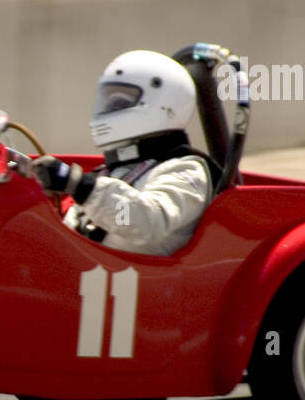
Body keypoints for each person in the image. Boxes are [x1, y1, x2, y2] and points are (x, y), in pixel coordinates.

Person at [32, 50, 220, 256]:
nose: (109, 108)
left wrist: (81, 187)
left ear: (165, 106)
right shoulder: (111, 171)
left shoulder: (185, 171)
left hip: (142, 284)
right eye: (108, 101)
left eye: (119, 103)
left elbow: (146, 222)